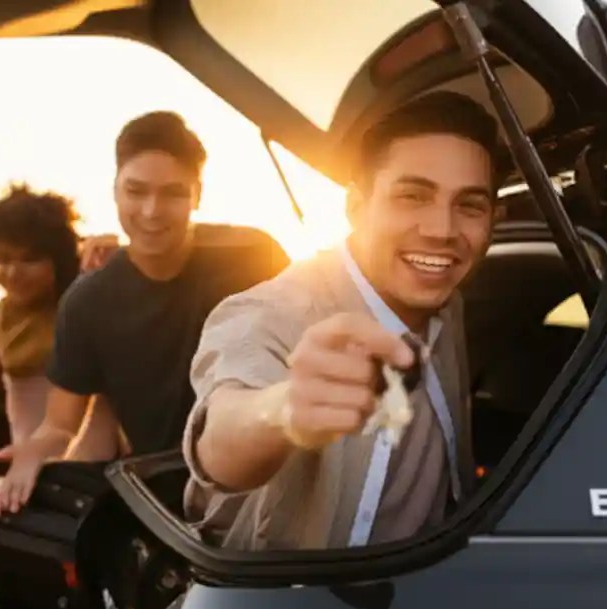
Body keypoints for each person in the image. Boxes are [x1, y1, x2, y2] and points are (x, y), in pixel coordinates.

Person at [183, 91, 504, 551]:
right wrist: (285, 409)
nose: (441, 230)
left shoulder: (447, 302)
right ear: (355, 207)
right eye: (413, 196)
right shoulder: (267, 314)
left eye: (469, 205)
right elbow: (220, 445)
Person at [0, 110, 291, 516]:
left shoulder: (255, 256)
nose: (151, 211)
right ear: (115, 191)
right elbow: (62, 424)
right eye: (136, 191)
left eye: (172, 193)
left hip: (268, 488)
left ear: (197, 194)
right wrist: (33, 452)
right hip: (167, 505)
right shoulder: (87, 302)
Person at [0, 183, 121, 475]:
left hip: (93, 476)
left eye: (29, 259)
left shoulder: (86, 310)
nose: (13, 272)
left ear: (57, 260)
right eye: (4, 259)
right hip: (30, 475)